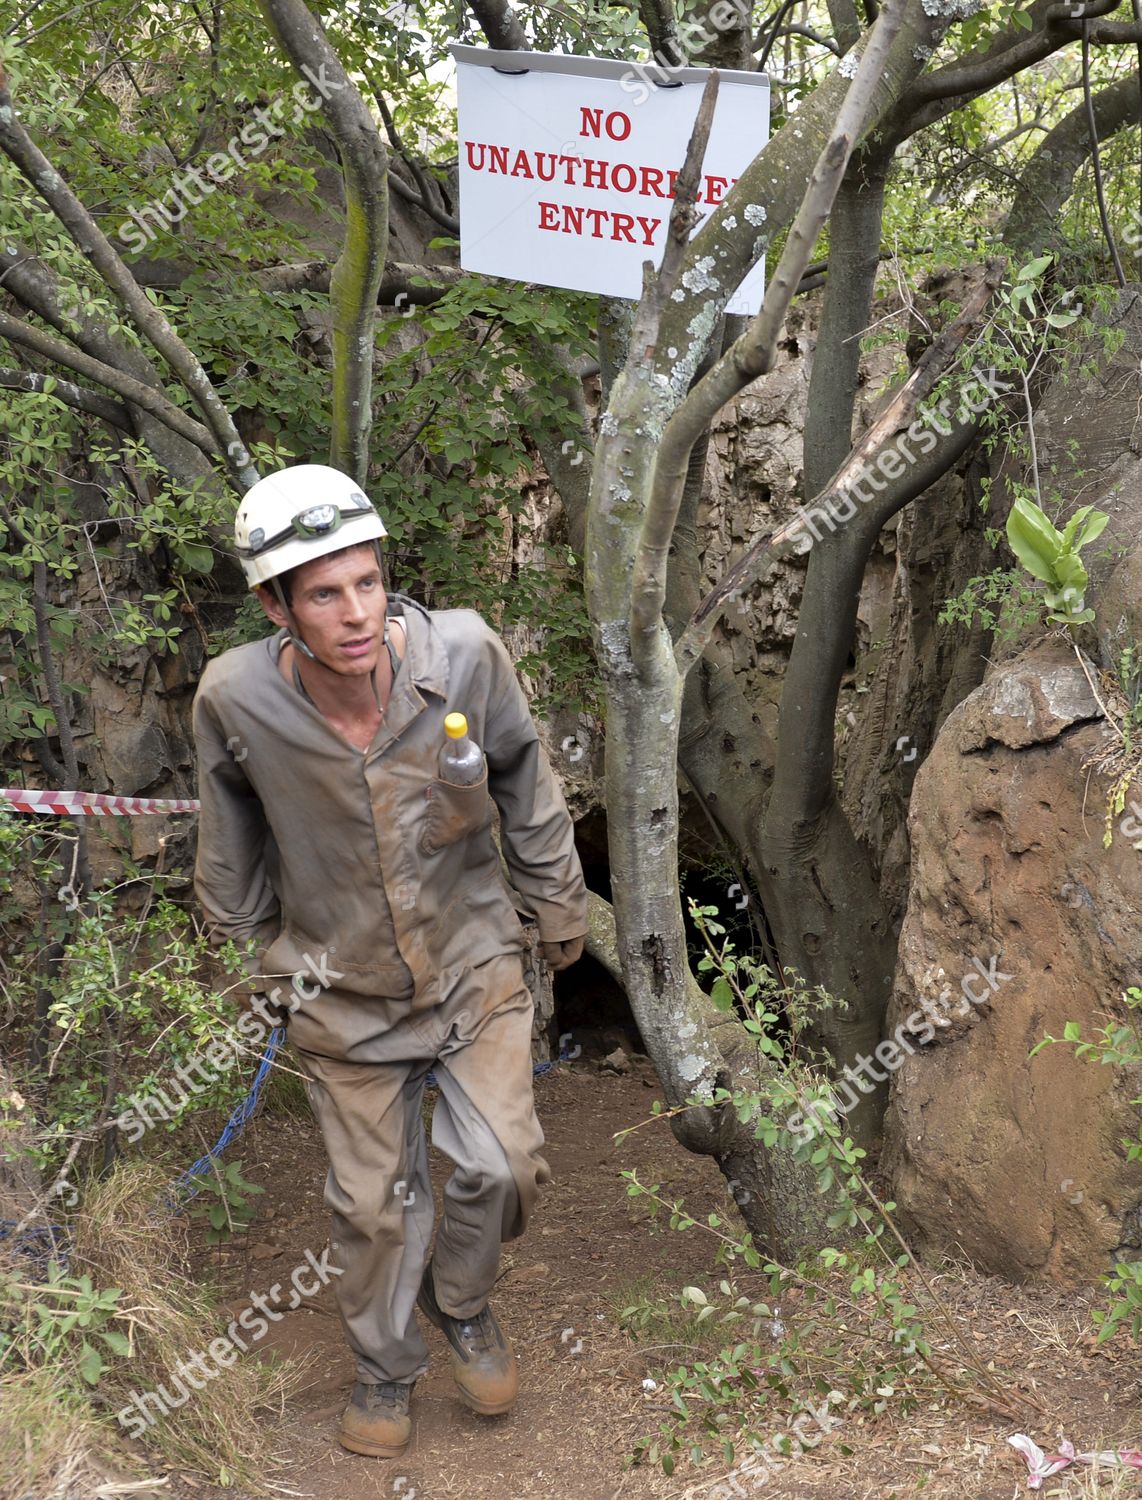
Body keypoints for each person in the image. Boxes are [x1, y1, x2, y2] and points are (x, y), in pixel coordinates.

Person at [191, 463, 588, 1457]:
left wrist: (555, 897)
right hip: (339, 988)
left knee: (500, 1165)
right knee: (371, 1207)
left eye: (366, 582)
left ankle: (461, 1302)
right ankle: (382, 1365)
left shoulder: (464, 656)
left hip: (471, 963)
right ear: (275, 605)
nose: (355, 611)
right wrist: (245, 960)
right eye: (324, 594)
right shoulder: (236, 699)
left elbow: (523, 772)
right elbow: (227, 834)